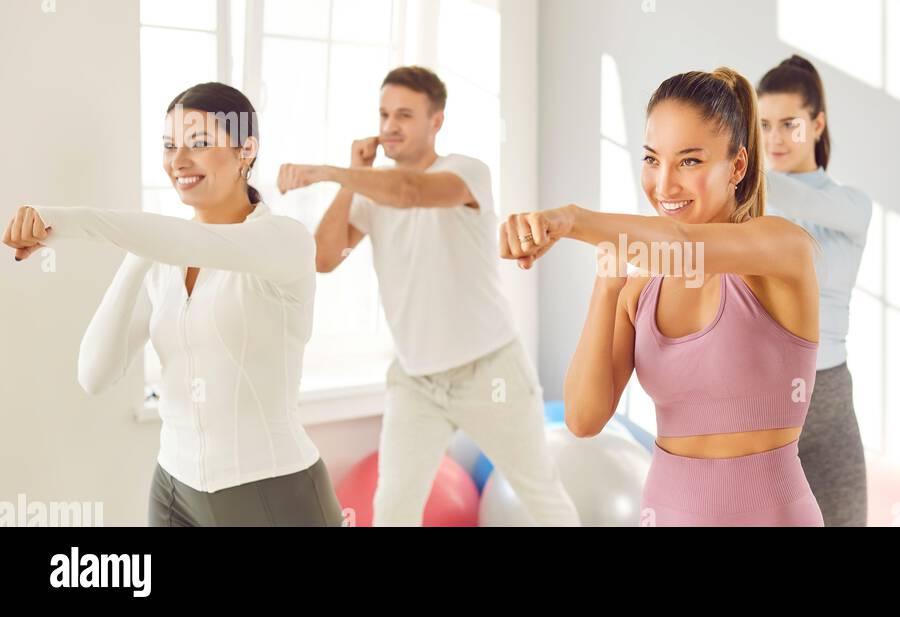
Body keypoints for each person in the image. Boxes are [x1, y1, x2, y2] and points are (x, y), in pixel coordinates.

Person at [3, 83, 343, 527]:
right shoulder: (163, 256)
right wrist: (139, 255)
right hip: (173, 490)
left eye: (199, 144)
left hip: (272, 490)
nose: (178, 161)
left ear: (246, 150)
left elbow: (201, 241)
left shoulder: (285, 241)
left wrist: (62, 221)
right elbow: (95, 374)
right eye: (169, 146)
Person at [500, 67, 824, 527]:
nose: (664, 184)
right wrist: (607, 287)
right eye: (652, 159)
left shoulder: (779, 249)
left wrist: (571, 220)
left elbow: (680, 245)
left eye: (689, 161)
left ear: (737, 166)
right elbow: (583, 418)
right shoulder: (640, 290)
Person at [277, 66, 579, 526]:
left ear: (436, 121)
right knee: (393, 509)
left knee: (541, 496)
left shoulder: (465, 172)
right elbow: (323, 256)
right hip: (416, 381)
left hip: (490, 368)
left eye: (404, 114)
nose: (390, 126)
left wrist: (324, 171)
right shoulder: (371, 191)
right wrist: (351, 176)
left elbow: (411, 191)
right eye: (383, 114)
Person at [759, 54, 873, 527]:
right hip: (761, 399)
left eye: (789, 124)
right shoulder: (750, 213)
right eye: (763, 126)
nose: (775, 139)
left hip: (828, 403)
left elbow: (799, 197)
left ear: (818, 123)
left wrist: (729, 168)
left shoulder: (851, 206)